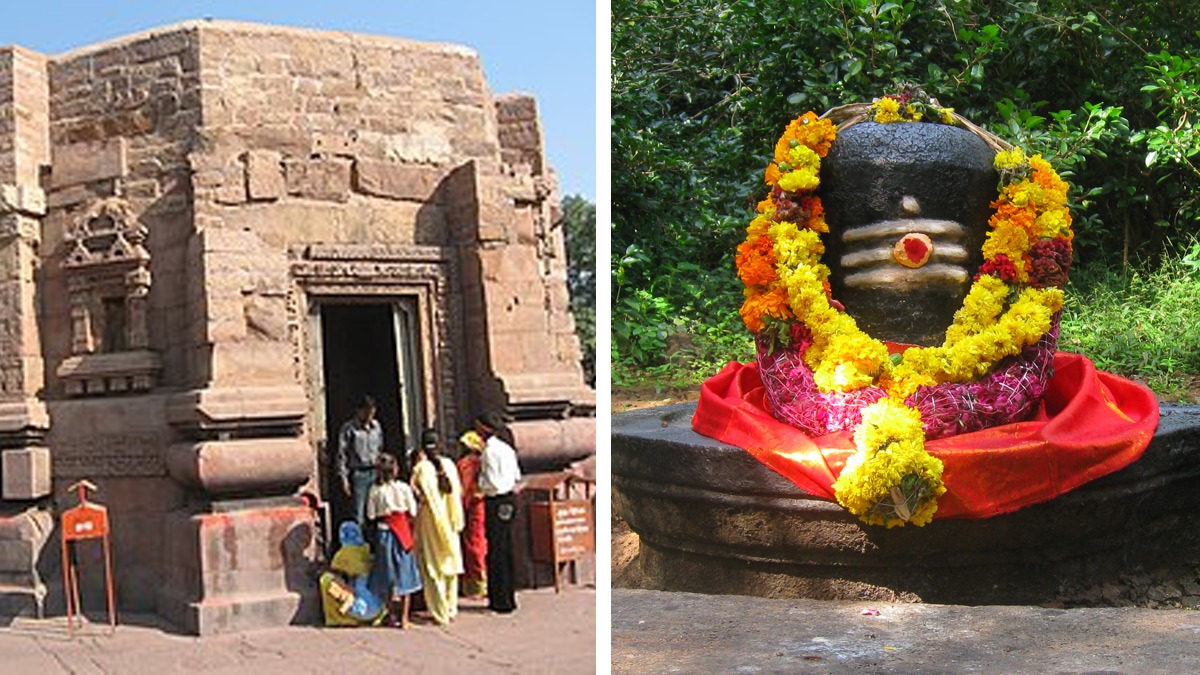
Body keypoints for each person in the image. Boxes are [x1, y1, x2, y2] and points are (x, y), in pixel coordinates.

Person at [411, 429, 465, 625]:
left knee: (433, 567)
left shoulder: (421, 469)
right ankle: (451, 608)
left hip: (430, 523)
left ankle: (439, 611)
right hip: (450, 523)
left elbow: (415, 494)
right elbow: (458, 492)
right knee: (450, 563)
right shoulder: (450, 465)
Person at [366, 453, 422, 628]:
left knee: (386, 574)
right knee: (406, 573)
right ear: (395, 470)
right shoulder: (404, 488)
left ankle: (390, 614)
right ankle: (404, 618)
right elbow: (412, 511)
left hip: (384, 532)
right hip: (403, 531)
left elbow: (371, 514)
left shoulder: (375, 490)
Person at [475, 412, 521, 614]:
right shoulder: (506, 449)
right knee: (507, 546)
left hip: (496, 499)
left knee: (497, 549)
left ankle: (500, 599)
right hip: (509, 497)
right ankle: (508, 595)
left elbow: (492, 483)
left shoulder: (489, 452)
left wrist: (480, 484)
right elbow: (516, 475)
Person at [318, 521, 387, 627]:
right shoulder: (367, 551)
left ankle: (339, 619)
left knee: (326, 580)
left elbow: (334, 572)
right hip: (377, 610)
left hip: (360, 609)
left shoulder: (343, 555)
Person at [336, 395, 383, 528]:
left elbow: (379, 448)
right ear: (359, 411)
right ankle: (361, 546)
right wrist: (344, 479)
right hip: (358, 474)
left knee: (376, 511)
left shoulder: (376, 427)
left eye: (372, 412)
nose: (369, 416)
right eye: (367, 412)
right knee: (359, 514)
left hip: (375, 472)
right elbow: (342, 455)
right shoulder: (349, 429)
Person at [455, 430, 489, 598]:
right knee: (477, 542)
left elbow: (464, 487)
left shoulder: (467, 463)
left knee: (473, 544)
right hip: (479, 504)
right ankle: (479, 583)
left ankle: (477, 584)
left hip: (472, 506)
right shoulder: (481, 461)